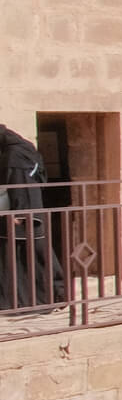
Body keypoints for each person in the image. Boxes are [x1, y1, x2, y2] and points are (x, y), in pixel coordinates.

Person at [1, 125, 64, 308]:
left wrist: (19, 213)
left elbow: (19, 185)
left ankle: (48, 297)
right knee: (34, 255)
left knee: (30, 256)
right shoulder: (25, 149)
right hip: (30, 212)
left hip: (21, 215)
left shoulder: (14, 155)